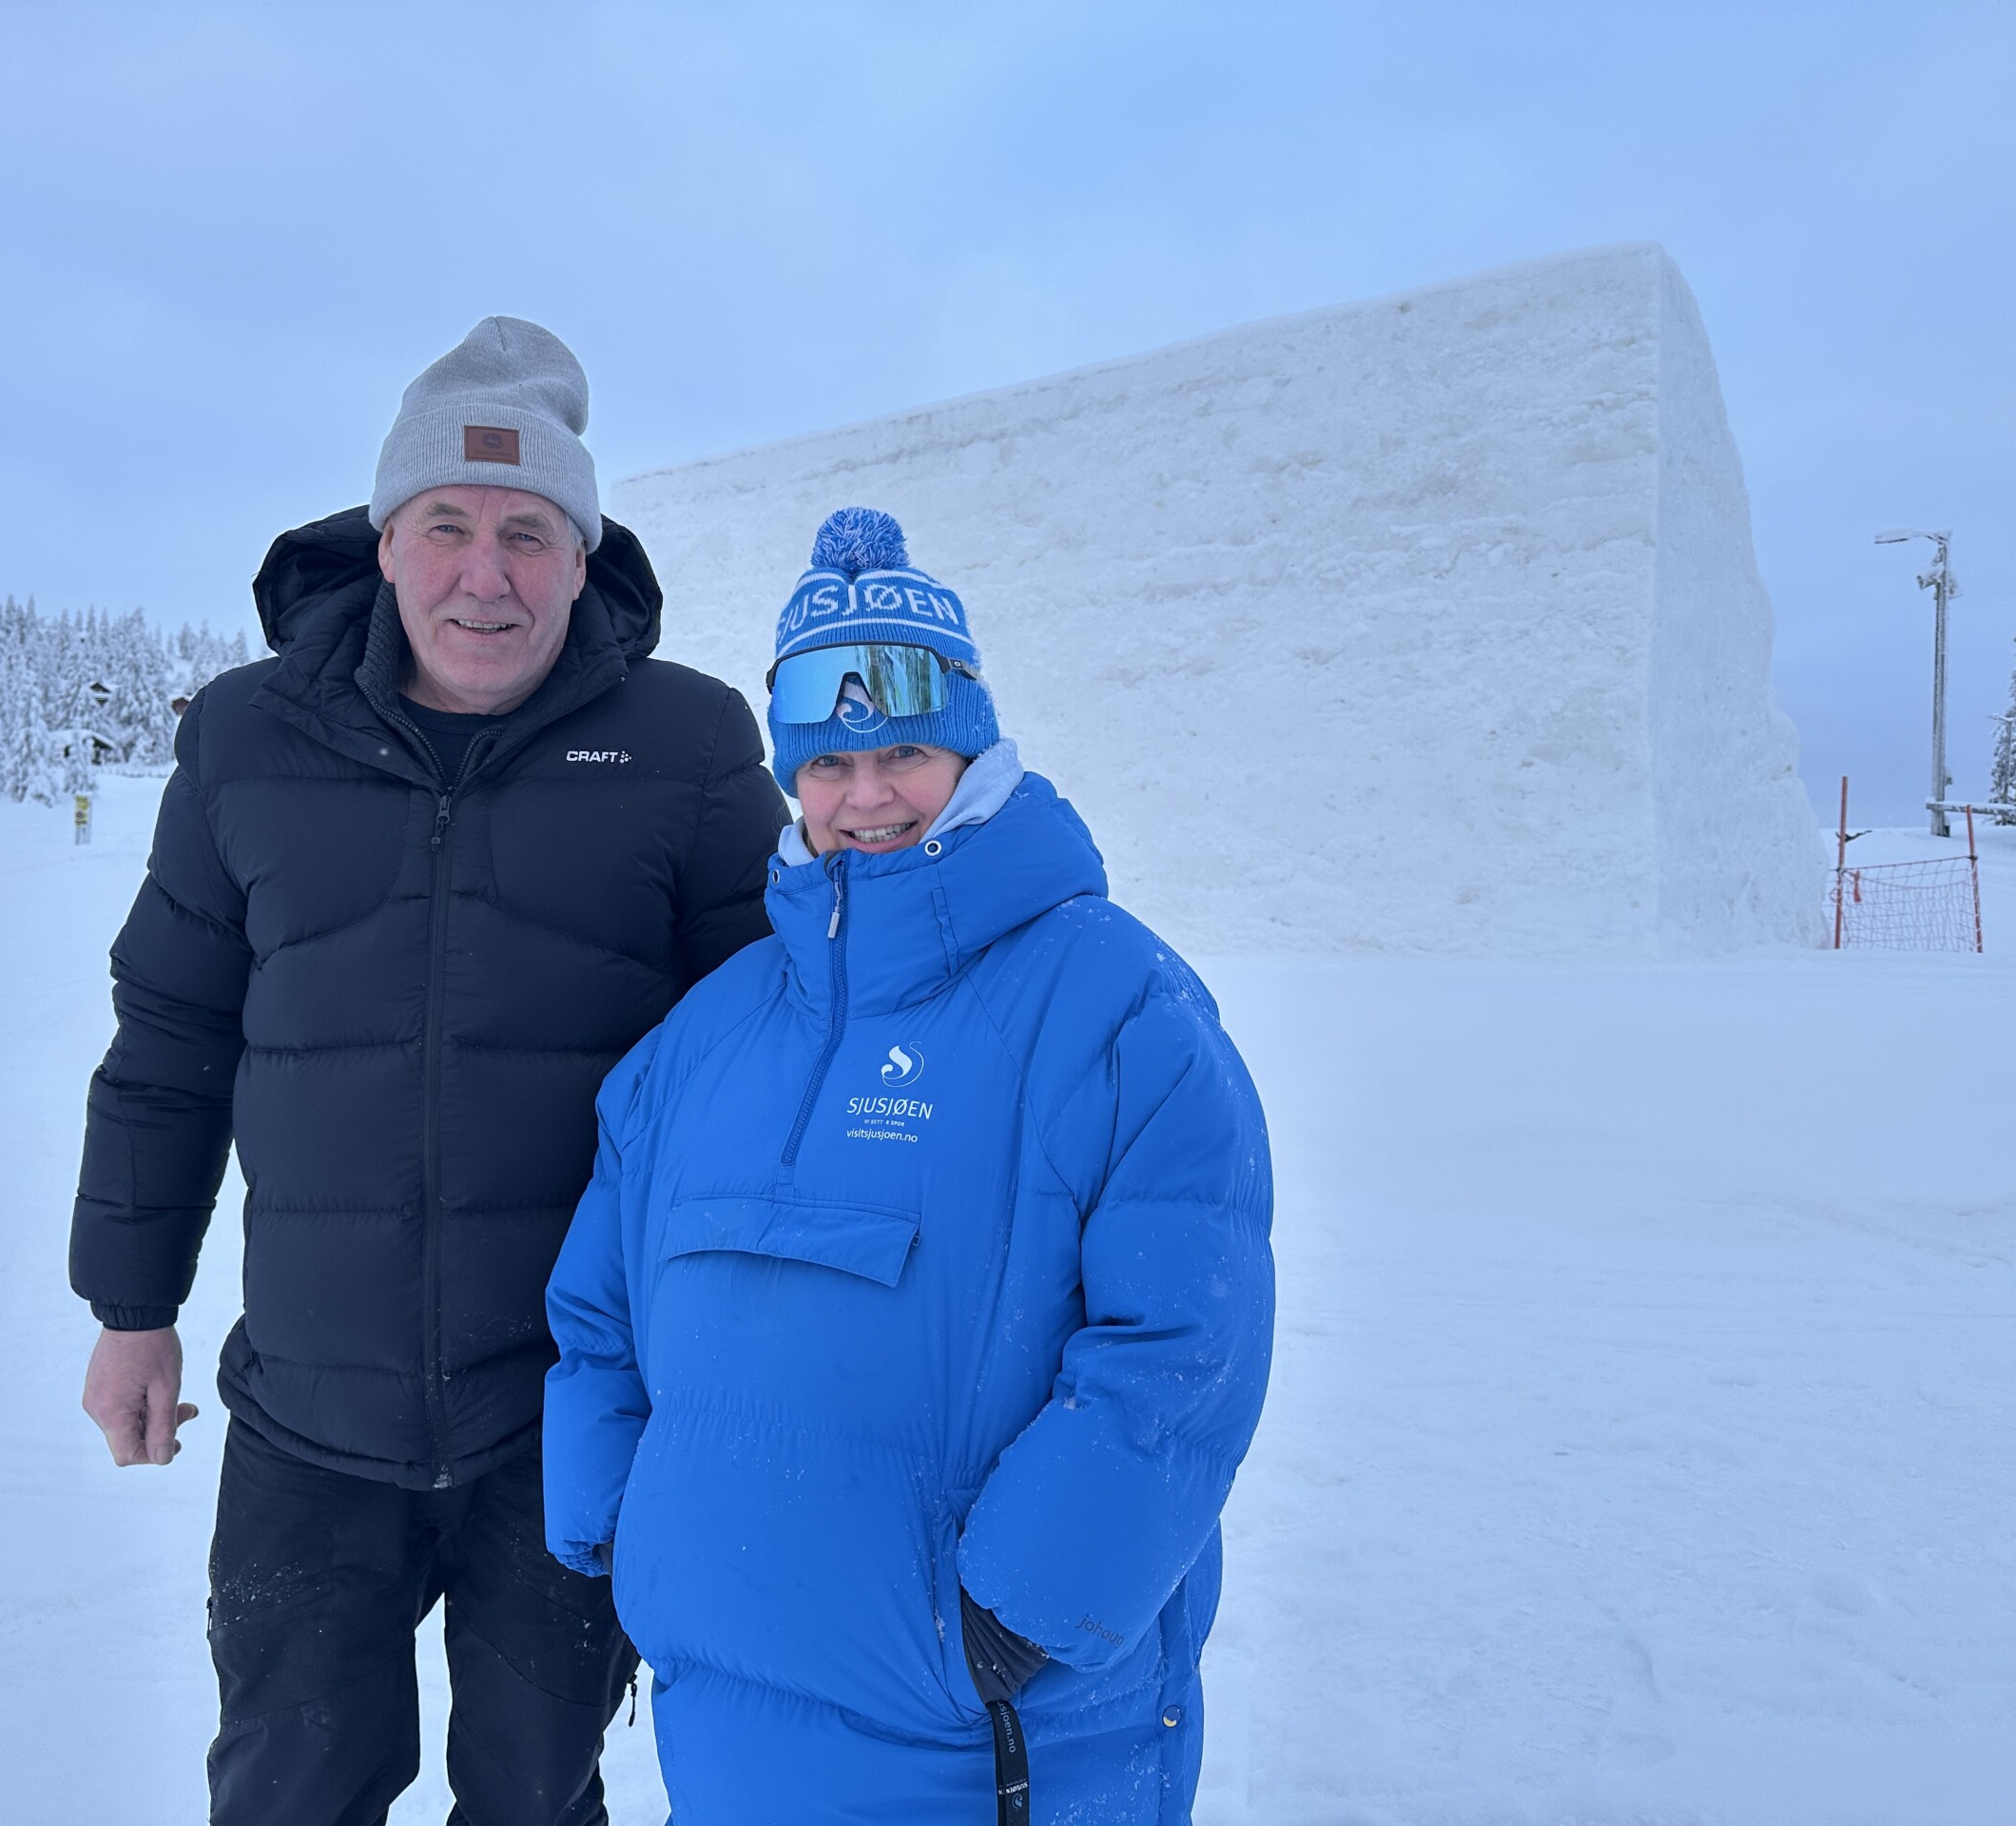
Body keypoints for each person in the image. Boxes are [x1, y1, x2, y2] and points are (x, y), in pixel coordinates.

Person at [68, 317, 788, 1826]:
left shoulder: (691, 745)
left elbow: (768, 1072)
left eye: (530, 532)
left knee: (539, 1796)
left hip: (573, 1415)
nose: (487, 572)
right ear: (384, 541)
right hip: (306, 1425)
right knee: (287, 1792)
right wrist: (133, 1310)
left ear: (584, 558)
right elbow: (169, 1041)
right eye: (448, 525)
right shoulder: (246, 741)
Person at [542, 508, 1278, 1825]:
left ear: (974, 750)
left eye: (906, 752)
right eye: (828, 764)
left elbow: (1183, 1342)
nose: (866, 796)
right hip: (727, 1716)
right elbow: (600, 1309)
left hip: (988, 1734)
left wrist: (1022, 1608)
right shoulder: (710, 1031)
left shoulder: (1116, 1008)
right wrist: (616, 1516)